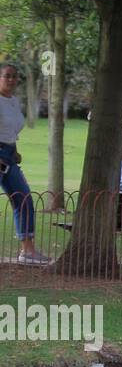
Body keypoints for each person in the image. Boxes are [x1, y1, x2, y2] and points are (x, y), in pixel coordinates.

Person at [0, 63, 49, 264]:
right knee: (22, 197)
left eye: (14, 76)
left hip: (9, 155)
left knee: (23, 198)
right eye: (7, 76)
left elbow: (10, 129)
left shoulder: (12, 101)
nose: (12, 80)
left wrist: (15, 151)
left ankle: (28, 252)